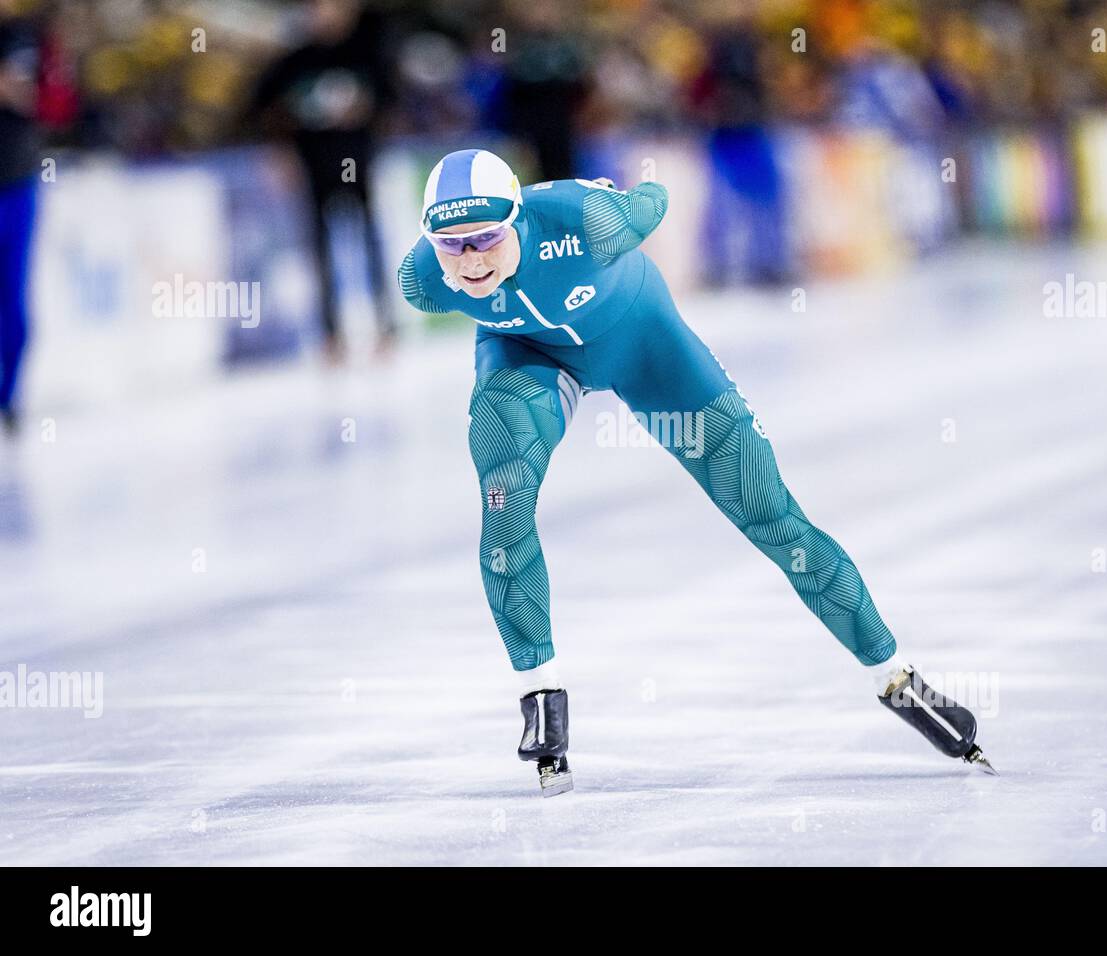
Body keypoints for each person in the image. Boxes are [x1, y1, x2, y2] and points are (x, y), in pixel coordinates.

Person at [399, 149, 995, 794]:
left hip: (650, 351)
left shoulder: (587, 223)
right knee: (504, 506)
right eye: (451, 245)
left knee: (769, 516)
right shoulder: (423, 280)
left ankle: (899, 681)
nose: (472, 259)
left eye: (486, 237)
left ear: (516, 219)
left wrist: (620, 194)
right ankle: (539, 697)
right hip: (531, 362)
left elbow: (654, 198)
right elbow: (449, 266)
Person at [246, 0, 396, 361]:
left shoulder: (366, 53)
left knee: (369, 241)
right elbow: (259, 106)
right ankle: (332, 334)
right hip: (314, 165)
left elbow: (390, 101)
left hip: (358, 162)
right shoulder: (295, 60)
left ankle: (385, 327)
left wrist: (370, 118)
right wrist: (279, 151)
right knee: (320, 249)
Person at [0, 4, 41, 437]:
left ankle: (9, 396)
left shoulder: (27, 36)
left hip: (15, 181)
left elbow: (53, 101)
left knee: (12, 294)